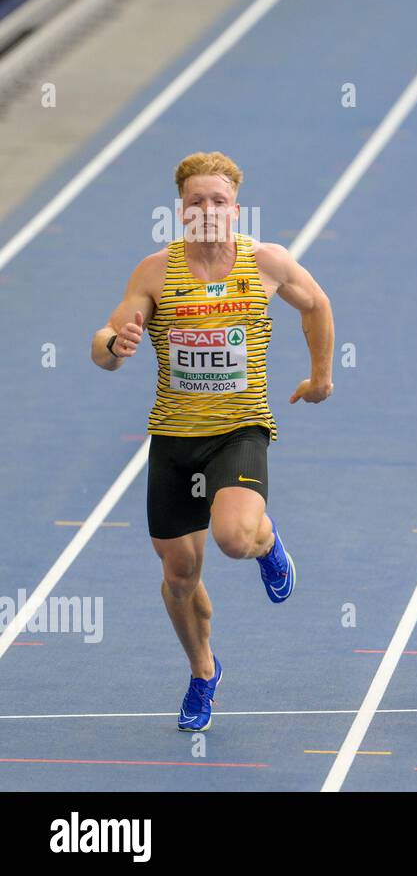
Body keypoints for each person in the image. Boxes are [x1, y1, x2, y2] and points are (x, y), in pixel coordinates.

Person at [91, 151, 335, 730]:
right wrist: (114, 345)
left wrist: (321, 377)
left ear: (235, 208)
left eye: (218, 201)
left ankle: (266, 540)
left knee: (231, 537)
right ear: (180, 209)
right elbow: (104, 342)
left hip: (239, 428)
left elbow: (317, 304)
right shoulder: (155, 272)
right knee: (179, 576)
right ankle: (204, 672)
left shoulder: (265, 262)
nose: (207, 209)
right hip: (175, 437)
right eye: (196, 200)